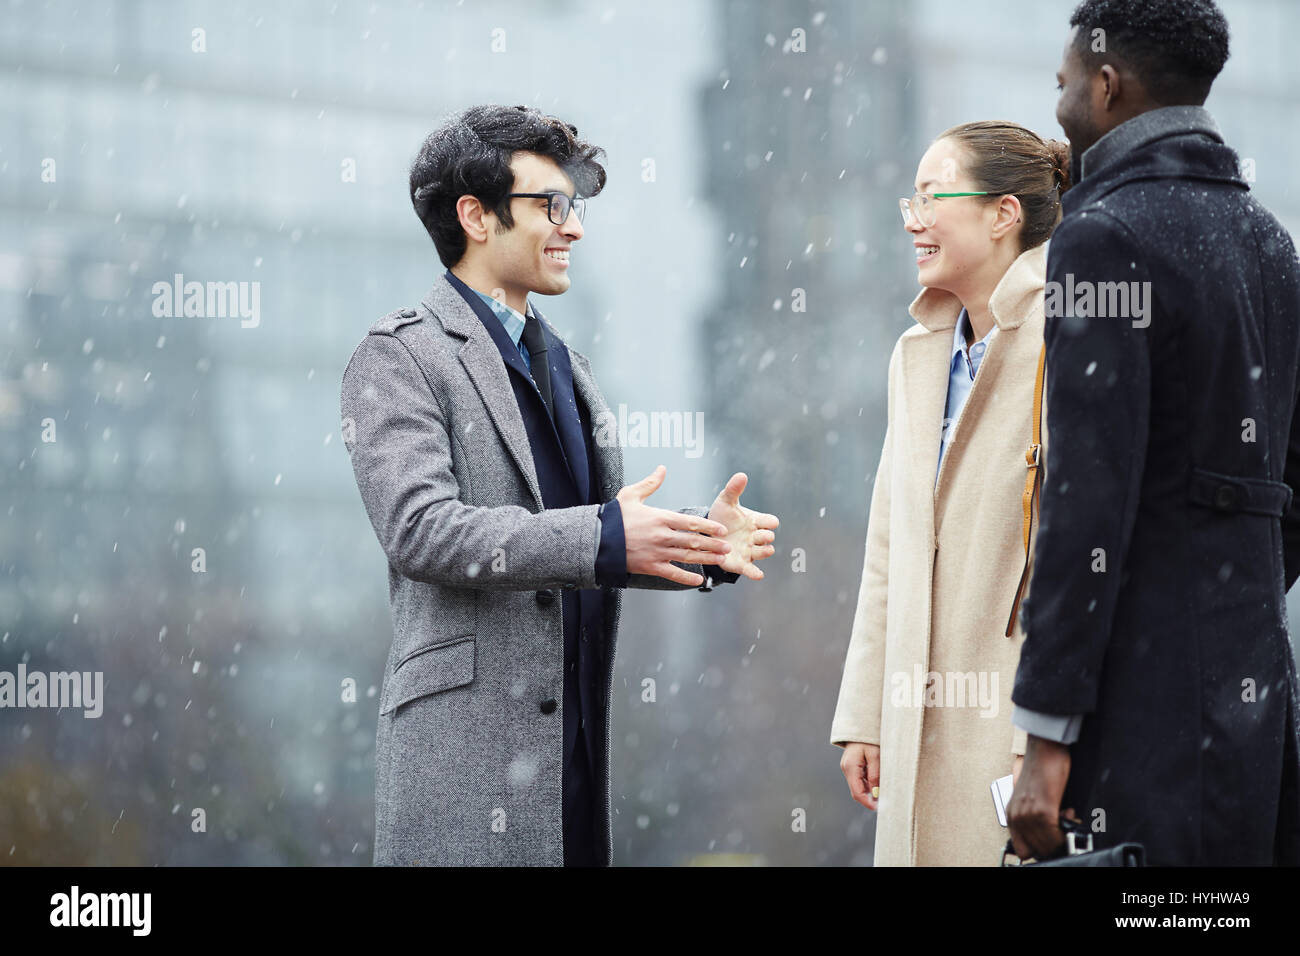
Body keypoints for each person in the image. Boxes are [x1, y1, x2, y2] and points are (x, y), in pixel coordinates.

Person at [340, 104, 779, 866]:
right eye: (551, 206)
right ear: (474, 216)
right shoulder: (399, 355)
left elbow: (582, 540)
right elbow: (421, 530)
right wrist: (607, 535)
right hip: (465, 768)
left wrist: (698, 542)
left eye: (572, 207)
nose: (572, 227)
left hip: (571, 762)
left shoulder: (567, 364)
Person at [1009, 0, 1300, 865]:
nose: (1057, 95)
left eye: (1064, 82)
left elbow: (1085, 501)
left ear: (1107, 86)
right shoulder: (1272, 244)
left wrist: (1045, 744)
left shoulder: (1102, 239)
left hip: (1140, 714)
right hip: (1255, 703)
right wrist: (1225, 593)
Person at [831, 120, 1070, 865]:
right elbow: (886, 550)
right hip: (910, 719)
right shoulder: (917, 356)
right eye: (912, 199)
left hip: (1013, 724)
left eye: (934, 197)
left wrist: (1044, 739)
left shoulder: (1065, 337)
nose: (914, 219)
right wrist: (865, 713)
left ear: (1005, 214)